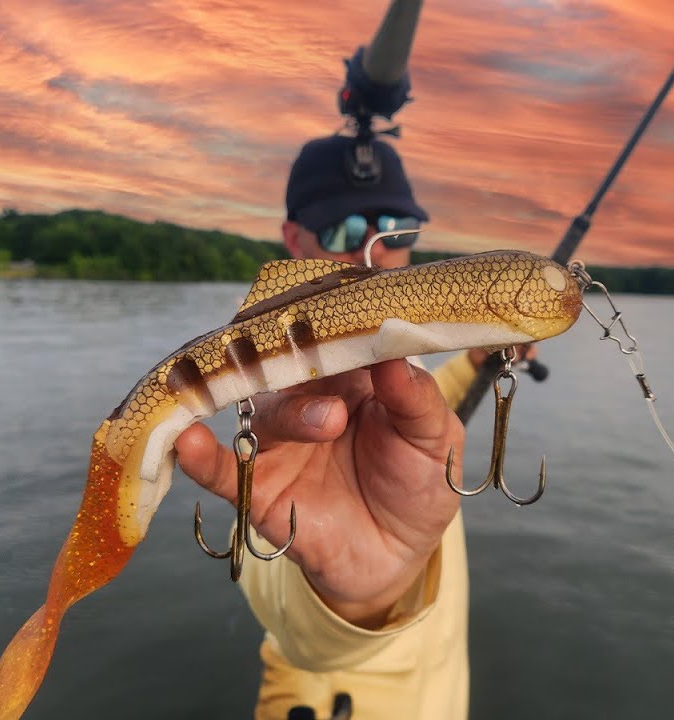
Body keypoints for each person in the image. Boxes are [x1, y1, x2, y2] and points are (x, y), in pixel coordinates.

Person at [175, 134, 532, 719]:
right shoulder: (269, 393)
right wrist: (357, 598)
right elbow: (295, 631)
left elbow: (409, 405)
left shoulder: (406, 359)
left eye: (394, 227)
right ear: (293, 240)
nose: (373, 252)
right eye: (343, 232)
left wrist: (476, 361)